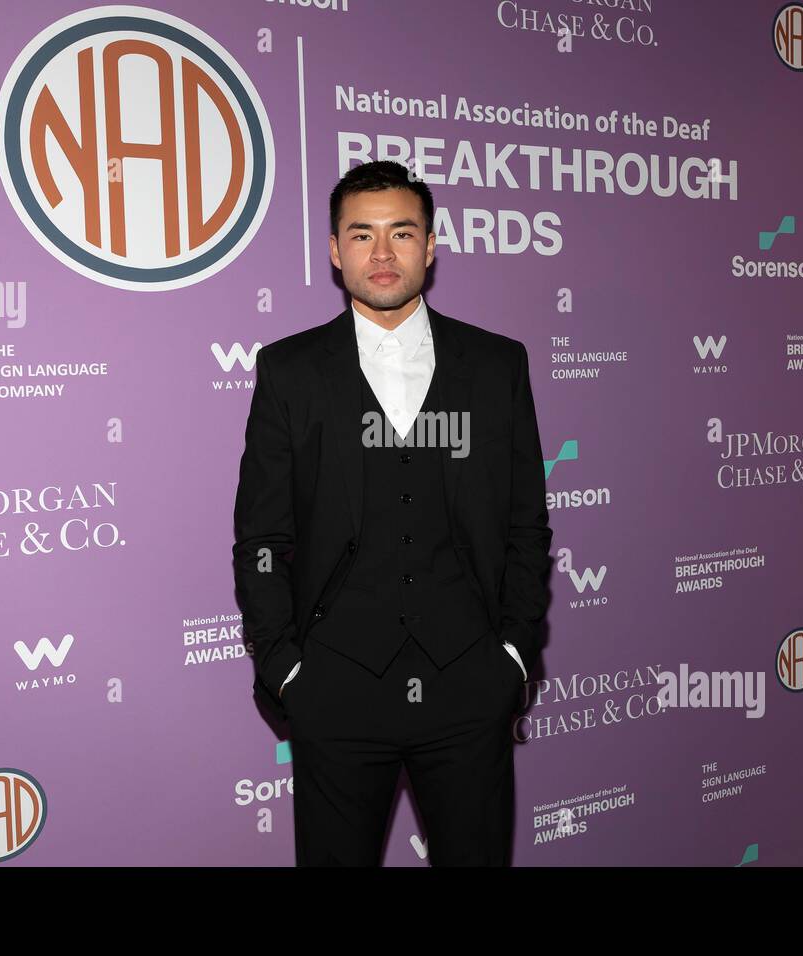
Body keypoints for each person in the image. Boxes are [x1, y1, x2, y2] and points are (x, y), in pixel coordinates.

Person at [232, 159, 553, 866]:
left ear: (431, 246)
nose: (382, 253)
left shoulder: (499, 364)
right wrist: (287, 668)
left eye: (402, 233)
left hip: (470, 684)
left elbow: (526, 524)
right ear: (333, 250)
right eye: (362, 234)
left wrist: (512, 655)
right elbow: (262, 536)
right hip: (336, 689)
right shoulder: (290, 370)